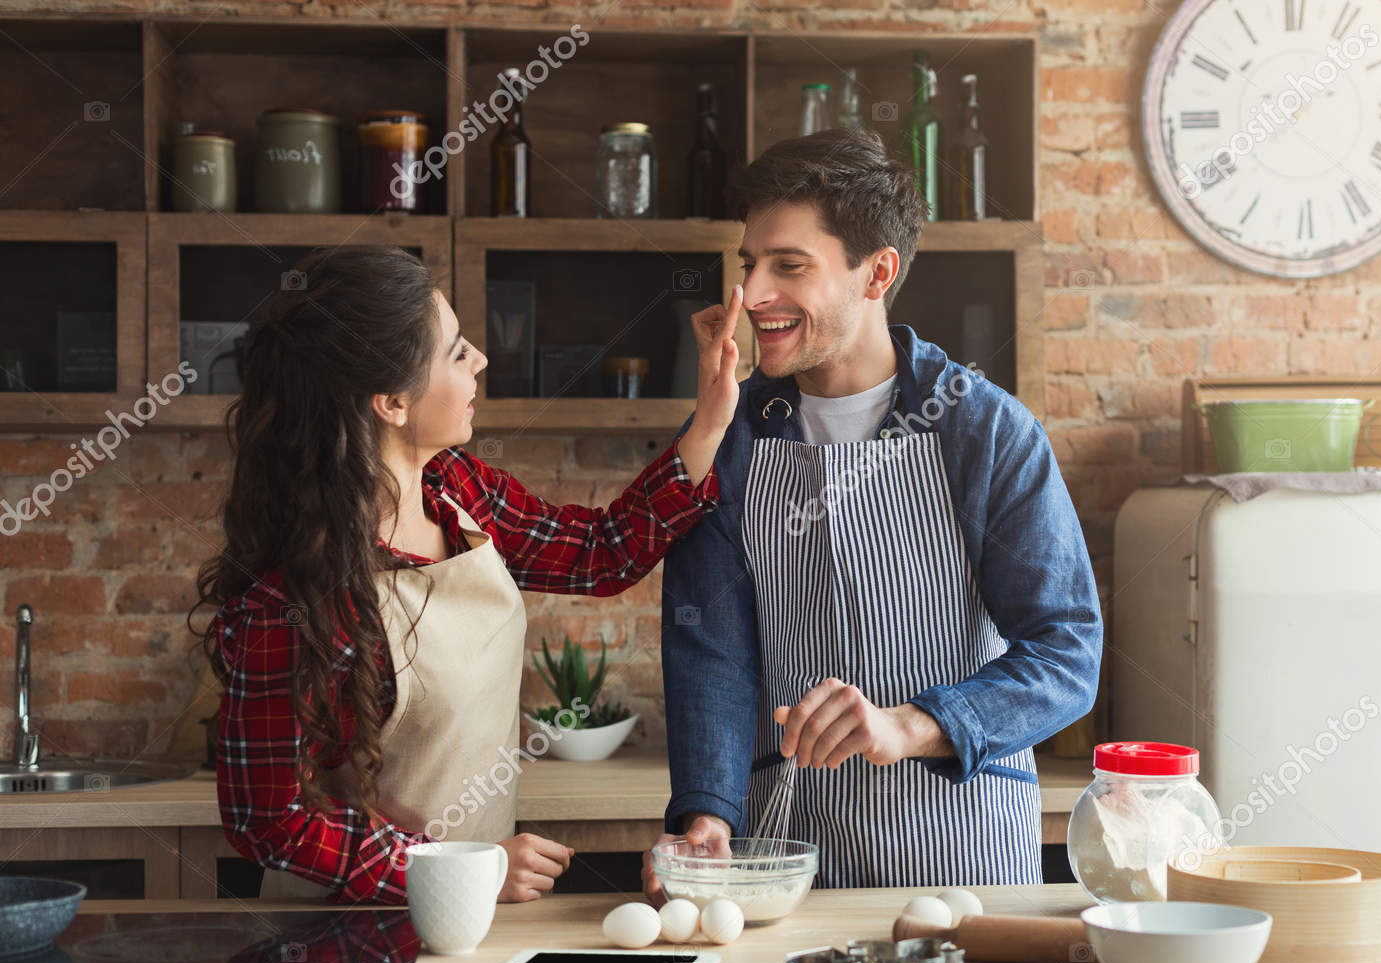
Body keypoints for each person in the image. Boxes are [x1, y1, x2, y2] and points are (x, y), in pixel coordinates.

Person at [195, 244, 741, 904]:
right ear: (392, 400)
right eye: (456, 351)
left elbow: (598, 552)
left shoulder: (455, 490)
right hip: (346, 943)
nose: (479, 359)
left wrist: (710, 416)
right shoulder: (293, 599)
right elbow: (270, 822)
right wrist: (454, 868)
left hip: (471, 916)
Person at [643, 128, 1102, 895]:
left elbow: (1067, 652)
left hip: (958, 848)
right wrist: (707, 815)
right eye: (749, 266)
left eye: (790, 267)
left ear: (876, 273)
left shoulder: (983, 429)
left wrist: (910, 723)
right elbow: (712, 651)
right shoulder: (730, 436)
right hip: (783, 850)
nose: (752, 295)